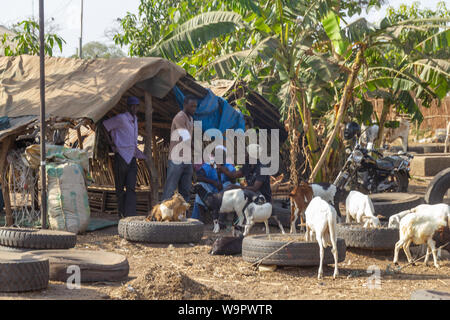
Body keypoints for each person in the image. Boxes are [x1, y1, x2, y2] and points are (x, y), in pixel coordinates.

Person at [103, 96, 146, 218]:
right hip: (121, 156)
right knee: (120, 188)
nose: (135, 108)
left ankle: (131, 215)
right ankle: (121, 214)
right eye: (133, 106)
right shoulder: (121, 118)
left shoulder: (135, 119)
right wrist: (110, 142)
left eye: (137, 106)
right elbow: (105, 126)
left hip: (132, 157)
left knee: (131, 188)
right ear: (128, 107)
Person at [161, 95, 197, 203]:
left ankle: (182, 215)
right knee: (170, 190)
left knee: (185, 190)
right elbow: (185, 138)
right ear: (185, 105)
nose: (194, 109)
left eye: (195, 106)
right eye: (192, 106)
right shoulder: (180, 117)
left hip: (186, 159)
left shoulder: (191, 119)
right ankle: (162, 214)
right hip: (176, 158)